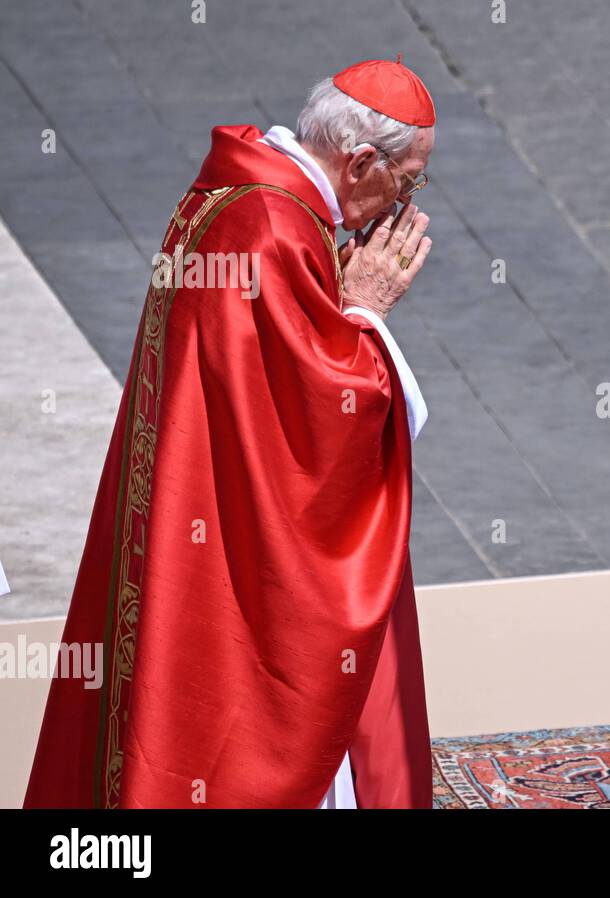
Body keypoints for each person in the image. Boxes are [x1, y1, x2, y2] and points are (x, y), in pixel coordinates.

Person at [24, 58, 438, 808]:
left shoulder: (235, 188)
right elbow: (320, 426)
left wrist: (333, 314)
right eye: (408, 181)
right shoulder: (273, 233)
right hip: (222, 533)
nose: (404, 202)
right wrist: (368, 314)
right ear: (362, 161)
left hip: (194, 494)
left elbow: (263, 386)